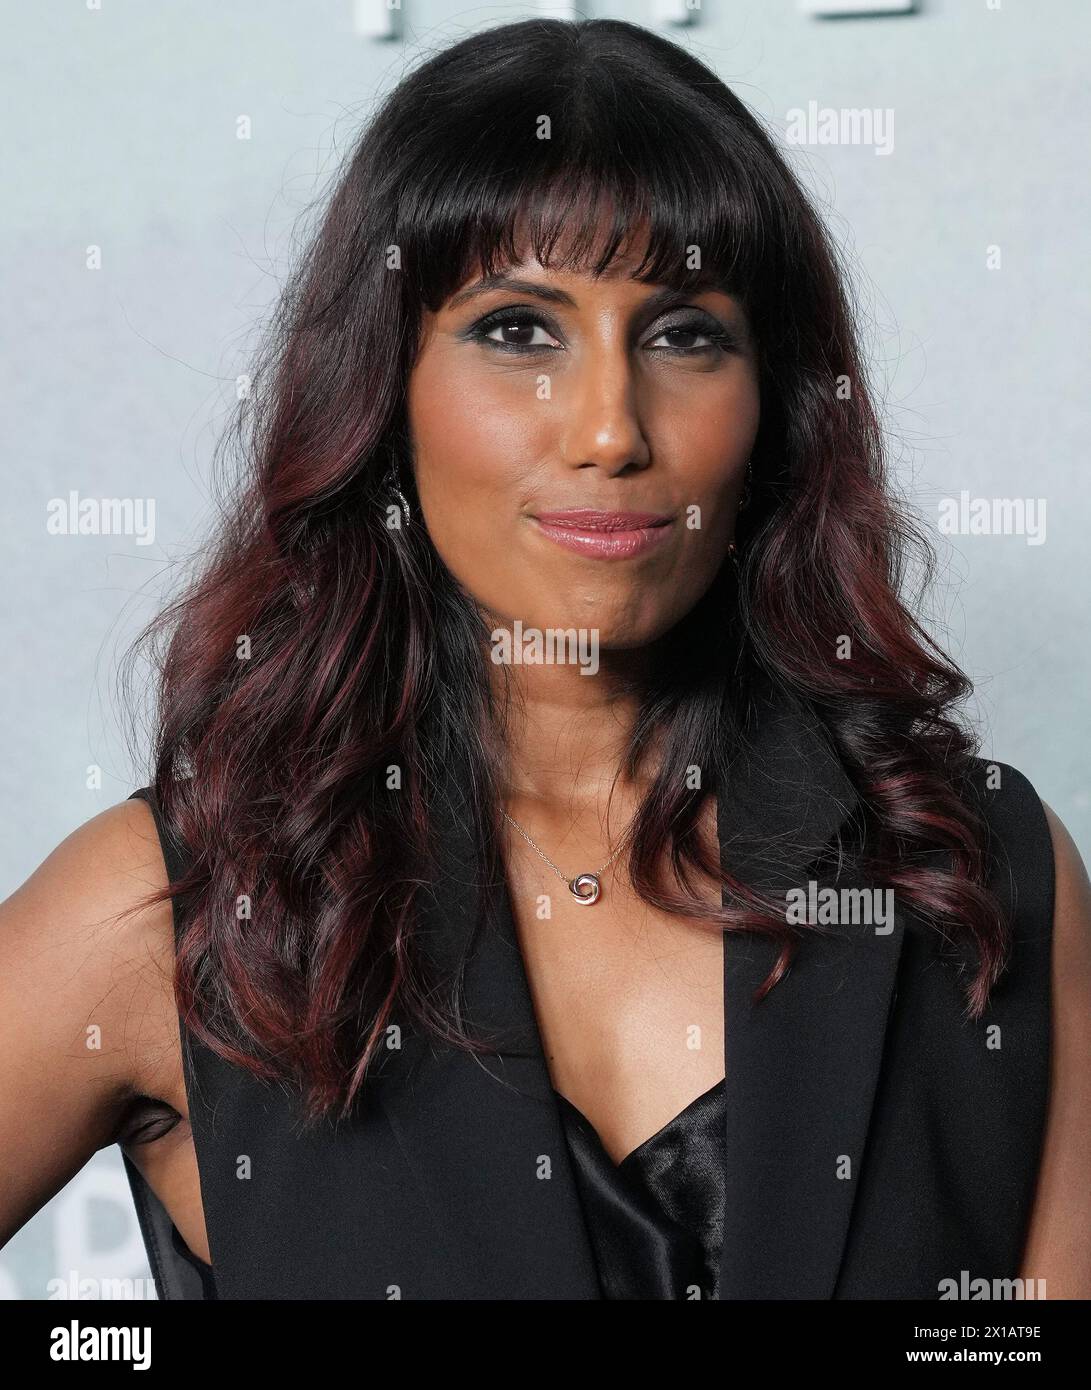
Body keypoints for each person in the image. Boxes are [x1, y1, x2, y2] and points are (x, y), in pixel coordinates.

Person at [2, 17, 1088, 1301]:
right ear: (381, 391)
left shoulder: (975, 873)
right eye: (519, 331)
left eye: (685, 333)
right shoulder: (174, 909)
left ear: (774, 407)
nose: (609, 428)